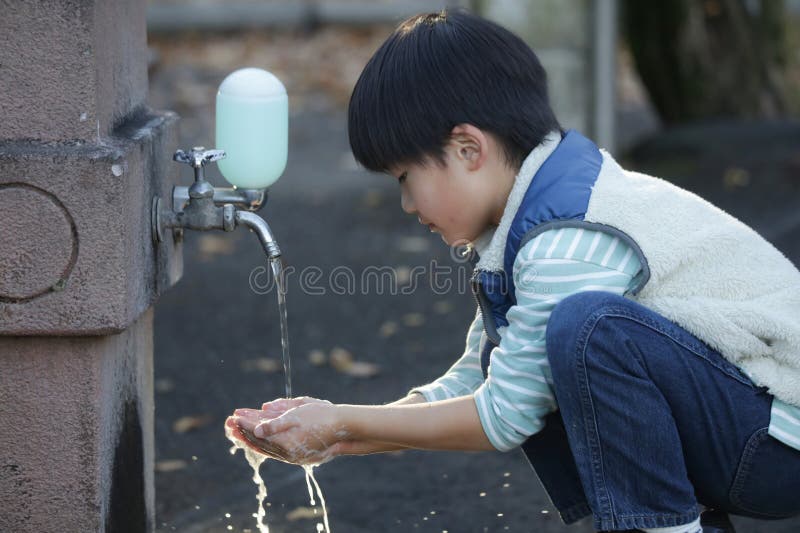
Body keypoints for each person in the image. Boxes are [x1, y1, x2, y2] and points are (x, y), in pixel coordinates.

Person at [227, 10, 800, 533]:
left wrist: (345, 422)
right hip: (743, 423)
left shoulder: (567, 239)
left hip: (778, 443)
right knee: (559, 344)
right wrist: (342, 432)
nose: (406, 205)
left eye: (405, 177)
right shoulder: (530, 219)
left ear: (468, 150)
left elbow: (502, 415)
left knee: (586, 331)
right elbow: (484, 380)